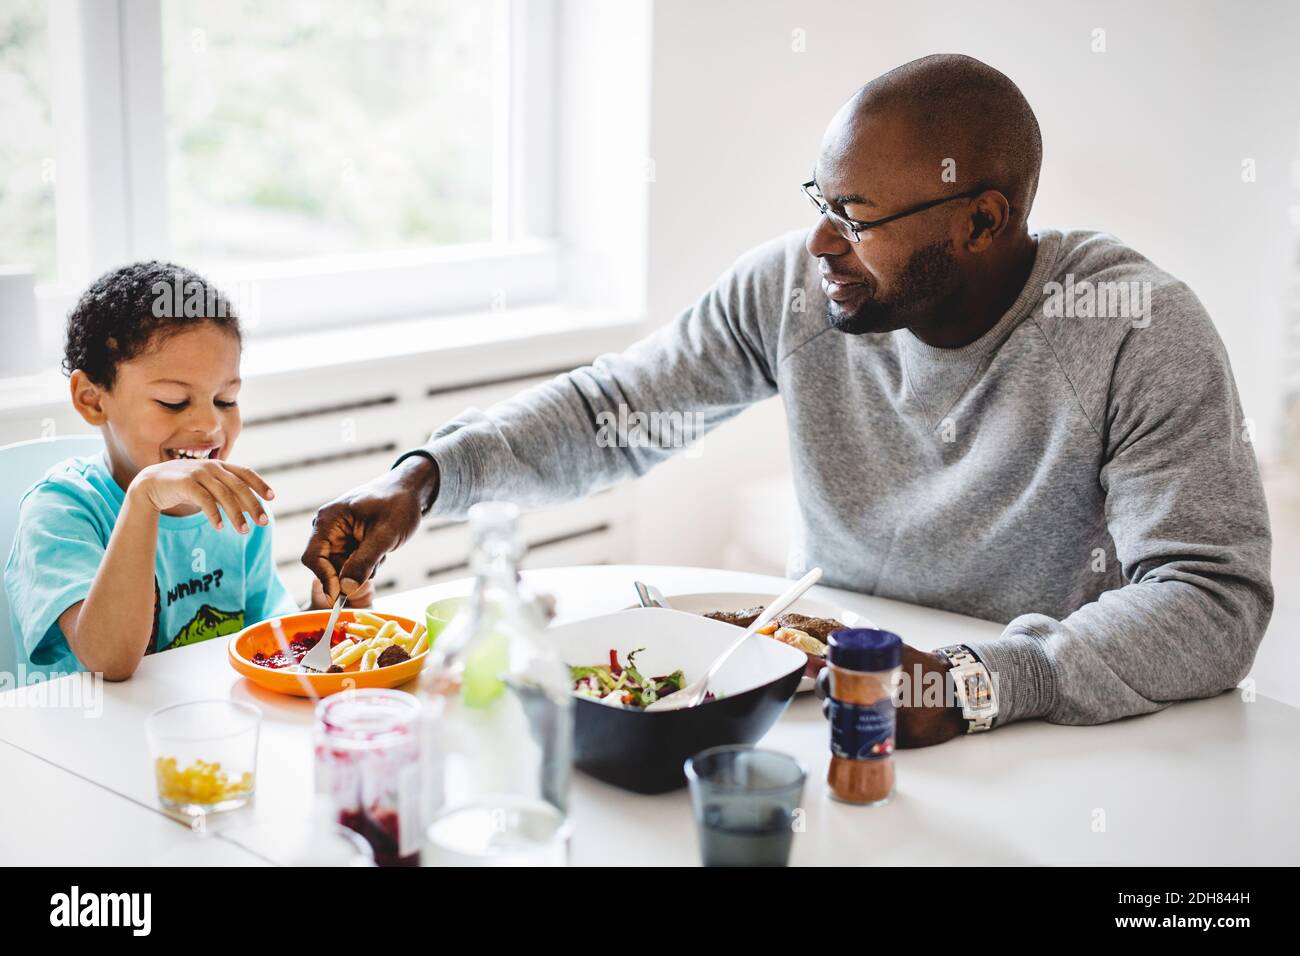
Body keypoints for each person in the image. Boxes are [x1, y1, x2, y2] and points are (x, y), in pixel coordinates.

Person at [301, 54, 1272, 745]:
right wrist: (427, 477)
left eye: (855, 218)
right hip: (833, 702)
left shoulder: (1135, 326)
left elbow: (1211, 601)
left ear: (982, 220)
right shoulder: (795, 292)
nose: (818, 244)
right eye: (819, 200)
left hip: (1048, 726)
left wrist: (981, 682)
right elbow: (615, 410)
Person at [5, 262, 371, 680]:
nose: (211, 425)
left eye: (226, 400)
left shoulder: (234, 511)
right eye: (174, 402)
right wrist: (145, 497)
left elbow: (261, 647)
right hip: (84, 739)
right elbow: (110, 661)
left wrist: (324, 617)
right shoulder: (60, 512)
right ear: (92, 399)